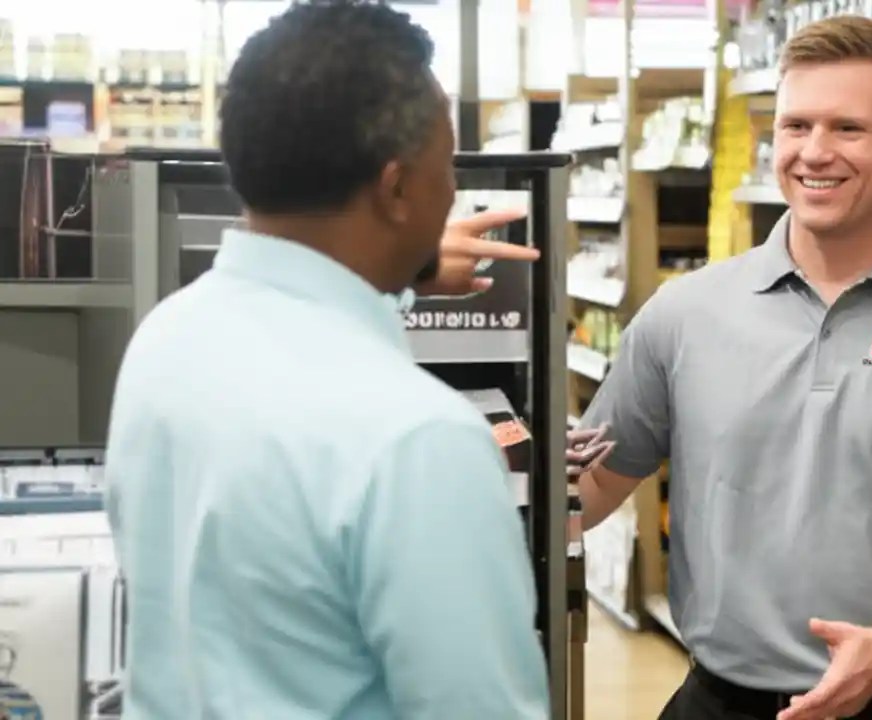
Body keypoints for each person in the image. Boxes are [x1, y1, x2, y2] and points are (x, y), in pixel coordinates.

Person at [577, 15, 872, 720]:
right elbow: (586, 488)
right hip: (718, 700)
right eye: (796, 126)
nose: (815, 153)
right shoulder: (685, 313)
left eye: (848, 129)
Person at [104, 2, 549, 718]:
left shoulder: (166, 340)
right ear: (398, 187)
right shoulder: (420, 441)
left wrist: (398, 273)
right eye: (447, 166)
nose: (451, 193)